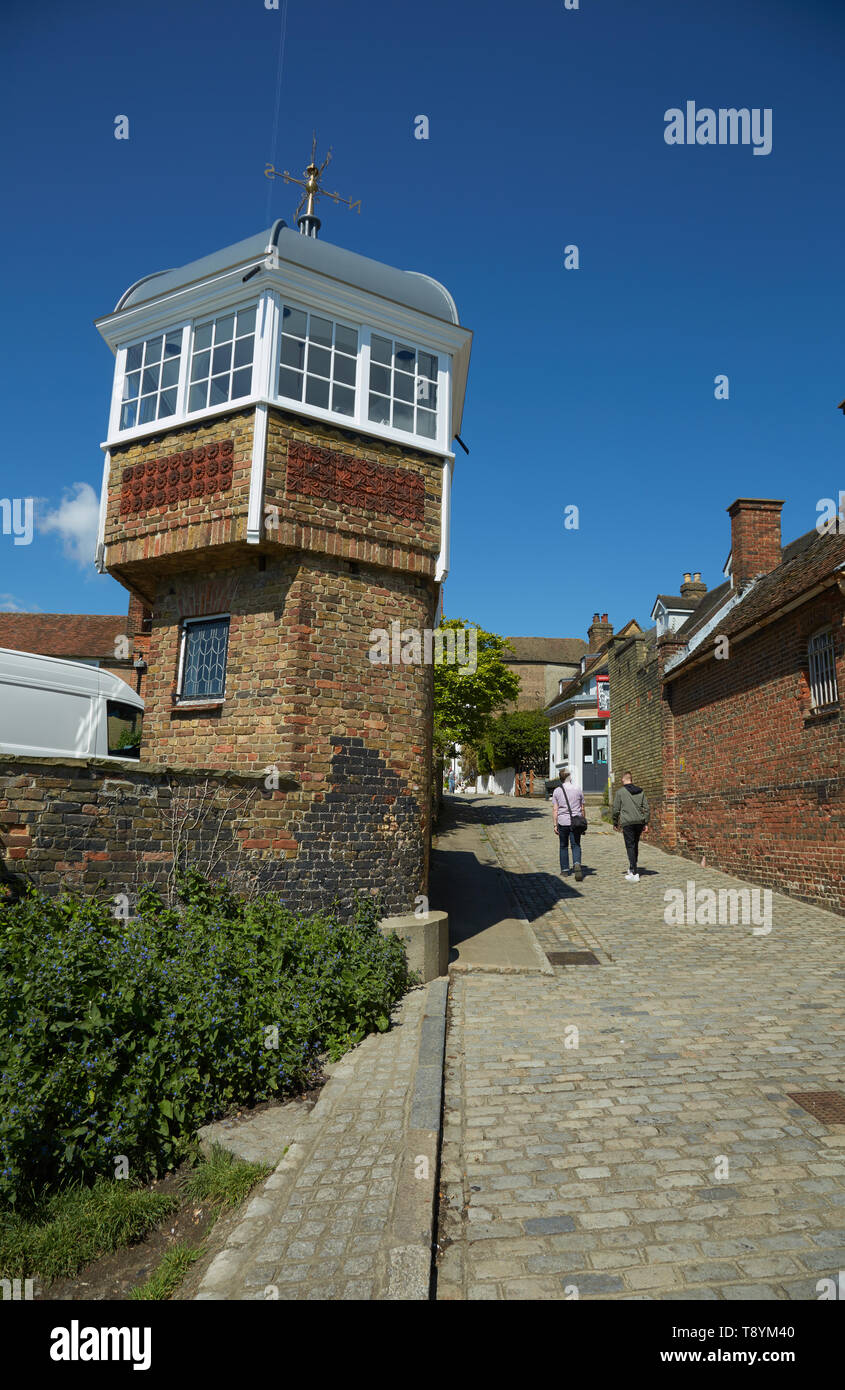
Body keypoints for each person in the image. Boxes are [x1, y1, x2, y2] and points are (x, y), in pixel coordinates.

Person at [611, 771, 650, 882]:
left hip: (627, 823)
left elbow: (615, 809)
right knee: (635, 845)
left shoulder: (620, 792)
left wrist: (615, 822)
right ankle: (633, 867)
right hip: (639, 822)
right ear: (631, 779)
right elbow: (646, 808)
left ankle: (634, 872)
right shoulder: (641, 791)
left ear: (624, 779)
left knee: (630, 846)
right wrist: (645, 822)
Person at [552, 768, 585, 881]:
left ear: (561, 778)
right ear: (569, 777)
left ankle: (565, 870)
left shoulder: (557, 791)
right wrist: (583, 821)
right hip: (576, 822)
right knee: (576, 845)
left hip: (563, 822)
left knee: (563, 846)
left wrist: (555, 825)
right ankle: (577, 863)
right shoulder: (578, 789)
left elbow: (555, 810)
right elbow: (582, 808)